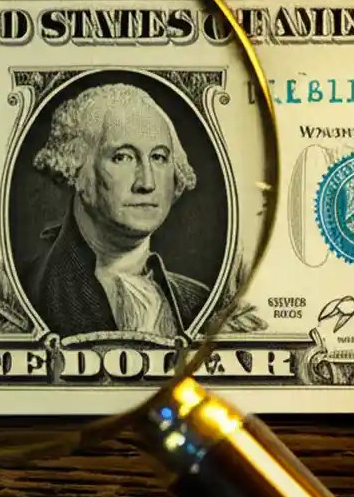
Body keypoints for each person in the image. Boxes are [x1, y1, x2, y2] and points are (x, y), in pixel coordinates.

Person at [17, 82, 211, 337]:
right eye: (122, 157)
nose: (147, 183)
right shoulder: (24, 294)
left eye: (159, 157)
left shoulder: (198, 301)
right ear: (76, 168)